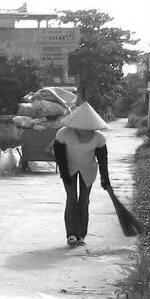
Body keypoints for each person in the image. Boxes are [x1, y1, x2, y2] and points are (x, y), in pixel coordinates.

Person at [52, 101, 111, 247]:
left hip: (88, 170)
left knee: (84, 201)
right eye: (82, 128)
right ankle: (71, 234)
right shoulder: (63, 134)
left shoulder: (99, 138)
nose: (85, 131)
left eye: (89, 129)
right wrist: (64, 174)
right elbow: (59, 156)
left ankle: (81, 235)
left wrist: (105, 178)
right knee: (71, 199)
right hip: (69, 169)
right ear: (75, 125)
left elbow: (102, 160)